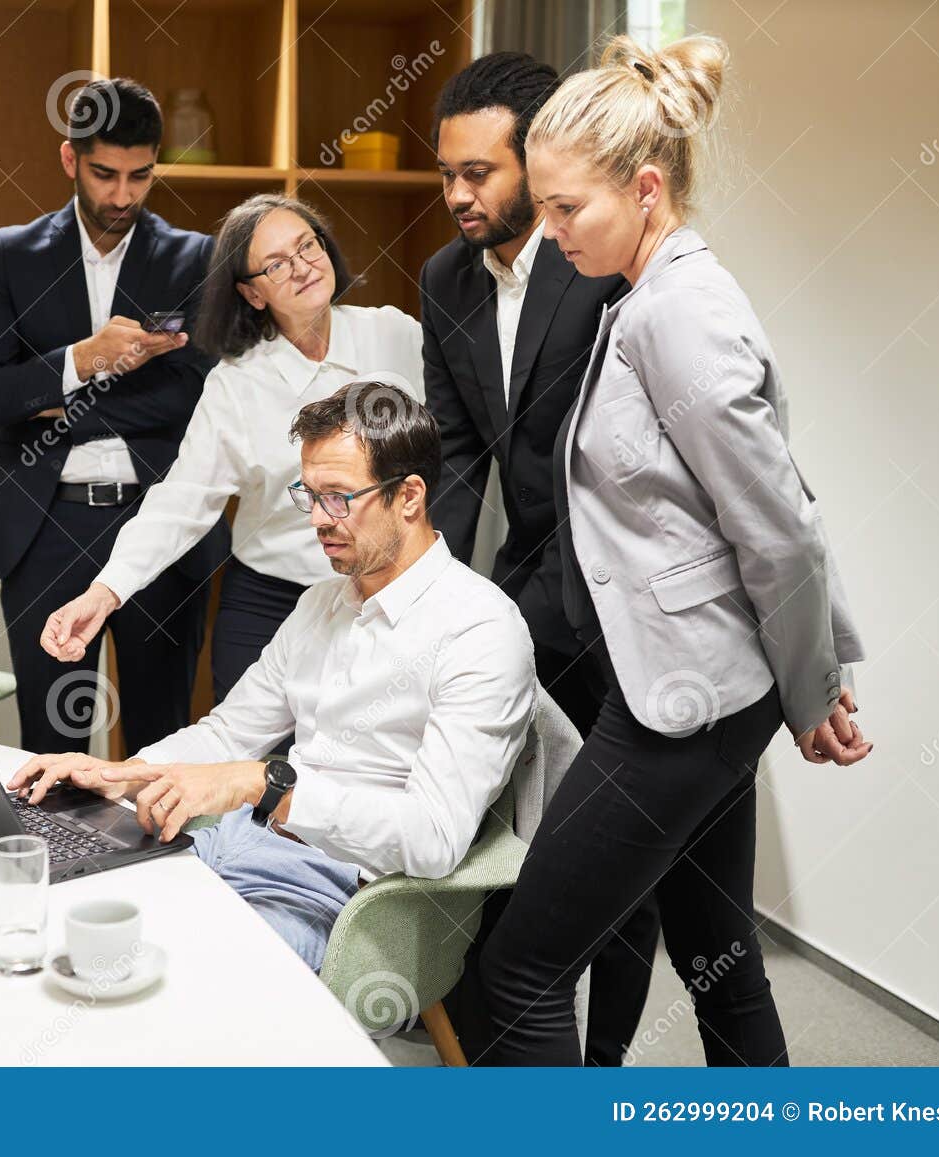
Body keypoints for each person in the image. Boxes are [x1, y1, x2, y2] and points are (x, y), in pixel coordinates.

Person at [464, 34, 871, 1066]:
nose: (546, 231)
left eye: (567, 209)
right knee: (716, 954)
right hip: (693, 685)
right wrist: (809, 674)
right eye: (543, 205)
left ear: (646, 189)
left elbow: (777, 522)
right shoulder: (645, 295)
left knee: (519, 971)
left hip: (684, 702)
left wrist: (813, 685)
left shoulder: (675, 311)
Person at [10, 383, 537, 970]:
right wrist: (114, 775)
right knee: (61, 921)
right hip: (231, 842)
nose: (317, 520)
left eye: (337, 498)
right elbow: (227, 736)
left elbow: (434, 839)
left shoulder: (479, 630)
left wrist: (270, 787)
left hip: (337, 892)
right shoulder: (320, 605)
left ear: (409, 496)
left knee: (180, 979)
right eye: (307, 495)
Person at [423, 52, 658, 1066]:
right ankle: (518, 1046)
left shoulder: (597, 259)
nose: (458, 194)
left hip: (631, 606)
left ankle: (601, 1061)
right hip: (525, 597)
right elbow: (461, 453)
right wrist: (440, 595)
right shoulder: (443, 280)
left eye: (480, 173)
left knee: (631, 865)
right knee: (523, 839)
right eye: (446, 173)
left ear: (535, 163)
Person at [38, 194, 425, 701]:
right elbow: (183, 501)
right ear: (252, 293)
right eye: (276, 265)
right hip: (274, 601)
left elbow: (453, 454)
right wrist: (105, 591)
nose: (302, 267)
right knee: (249, 762)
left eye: (307, 246)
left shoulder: (396, 334)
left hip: (391, 593)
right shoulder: (237, 383)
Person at [0, 77, 226, 755]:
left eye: (140, 175)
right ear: (70, 159)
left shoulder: (195, 257)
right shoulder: (10, 255)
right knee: (52, 747)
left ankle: (158, 865)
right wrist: (83, 359)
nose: (122, 195)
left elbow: (200, 394)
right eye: (105, 174)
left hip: (159, 524)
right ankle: (55, 863)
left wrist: (49, 397)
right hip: (43, 529)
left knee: (162, 743)